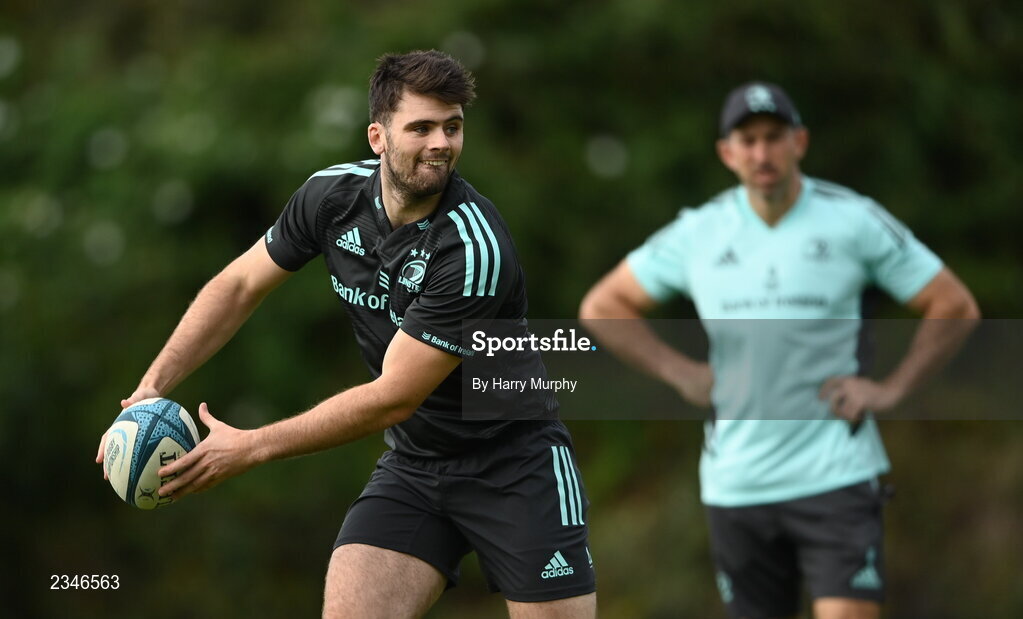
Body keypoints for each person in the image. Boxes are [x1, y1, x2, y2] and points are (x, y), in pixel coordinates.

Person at [96, 50, 596, 618]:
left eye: (452, 127)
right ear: (377, 137)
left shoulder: (471, 249)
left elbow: (393, 396)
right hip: (415, 465)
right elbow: (238, 285)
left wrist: (248, 447)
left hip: (515, 465)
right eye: (422, 127)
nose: (442, 143)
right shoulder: (331, 198)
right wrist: (151, 386)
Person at [579, 82, 979, 619]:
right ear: (727, 153)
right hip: (737, 481)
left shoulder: (853, 219)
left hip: (836, 473)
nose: (762, 153)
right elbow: (605, 305)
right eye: (748, 140)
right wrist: (680, 373)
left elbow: (952, 304)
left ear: (800, 142)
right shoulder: (698, 232)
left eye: (774, 137)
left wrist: (893, 388)